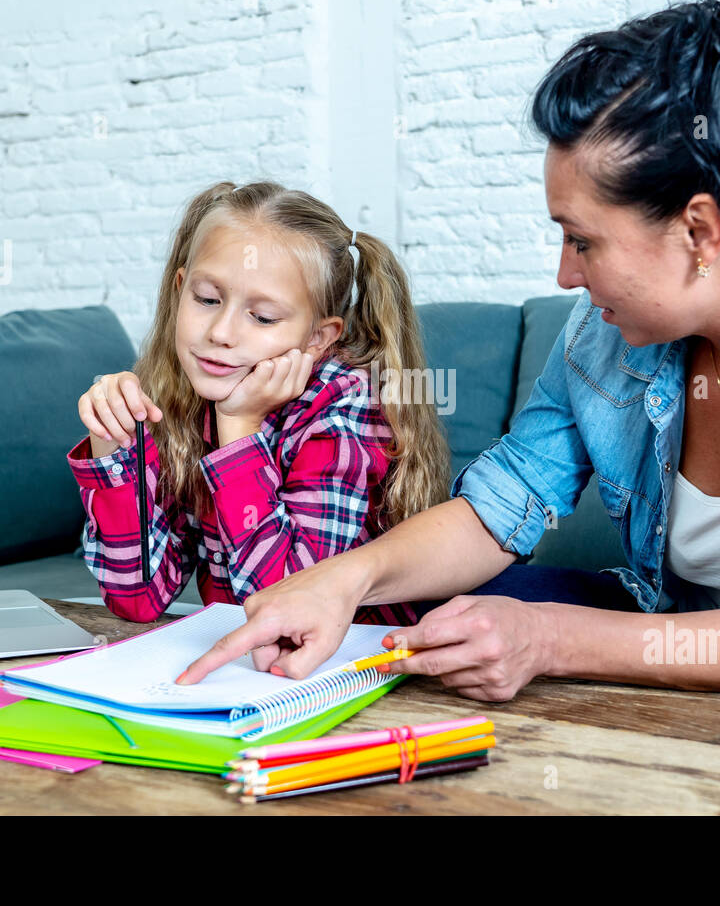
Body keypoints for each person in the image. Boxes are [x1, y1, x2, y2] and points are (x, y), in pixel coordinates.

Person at [178, 0, 720, 816]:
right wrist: (343, 581)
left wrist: (553, 640)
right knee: (440, 643)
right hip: (682, 649)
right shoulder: (608, 328)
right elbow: (504, 501)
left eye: (583, 240)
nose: (565, 273)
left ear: (699, 232)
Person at [67, 180, 451, 633]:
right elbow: (138, 597)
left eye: (263, 317)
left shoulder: (345, 407)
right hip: (249, 658)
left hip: (356, 660)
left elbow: (290, 606)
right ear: (179, 287)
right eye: (207, 299)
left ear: (316, 338)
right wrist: (114, 449)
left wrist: (240, 429)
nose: (221, 332)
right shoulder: (184, 392)